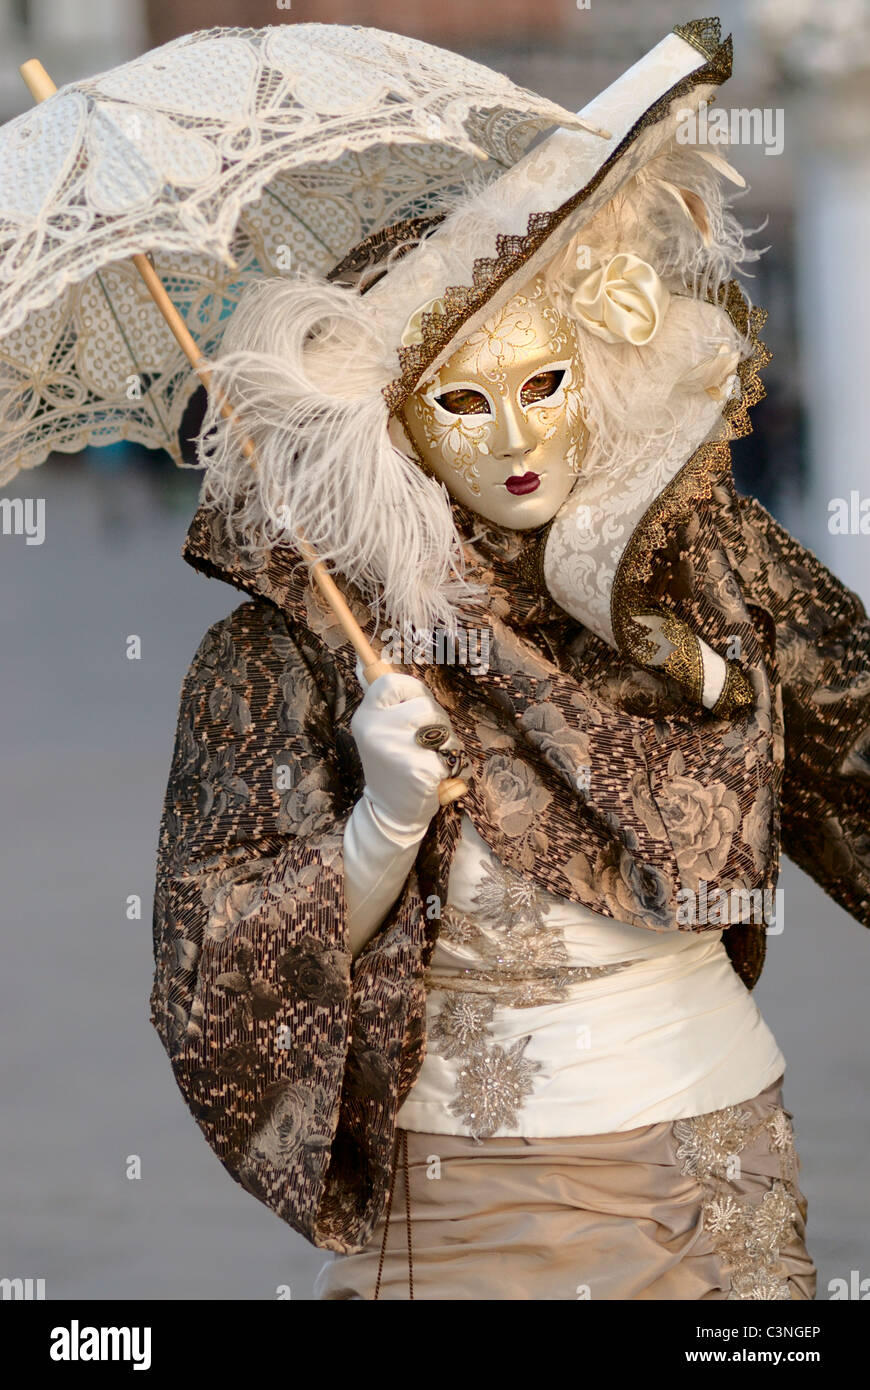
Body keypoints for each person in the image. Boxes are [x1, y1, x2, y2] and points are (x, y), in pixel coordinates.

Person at [150, 19, 868, 1299]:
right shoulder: (303, 647)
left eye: (544, 381)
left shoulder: (707, 568)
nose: (517, 439)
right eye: (464, 402)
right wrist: (379, 825)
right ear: (394, 426)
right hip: (460, 1204)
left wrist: (713, 682)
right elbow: (219, 971)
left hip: (706, 1176)